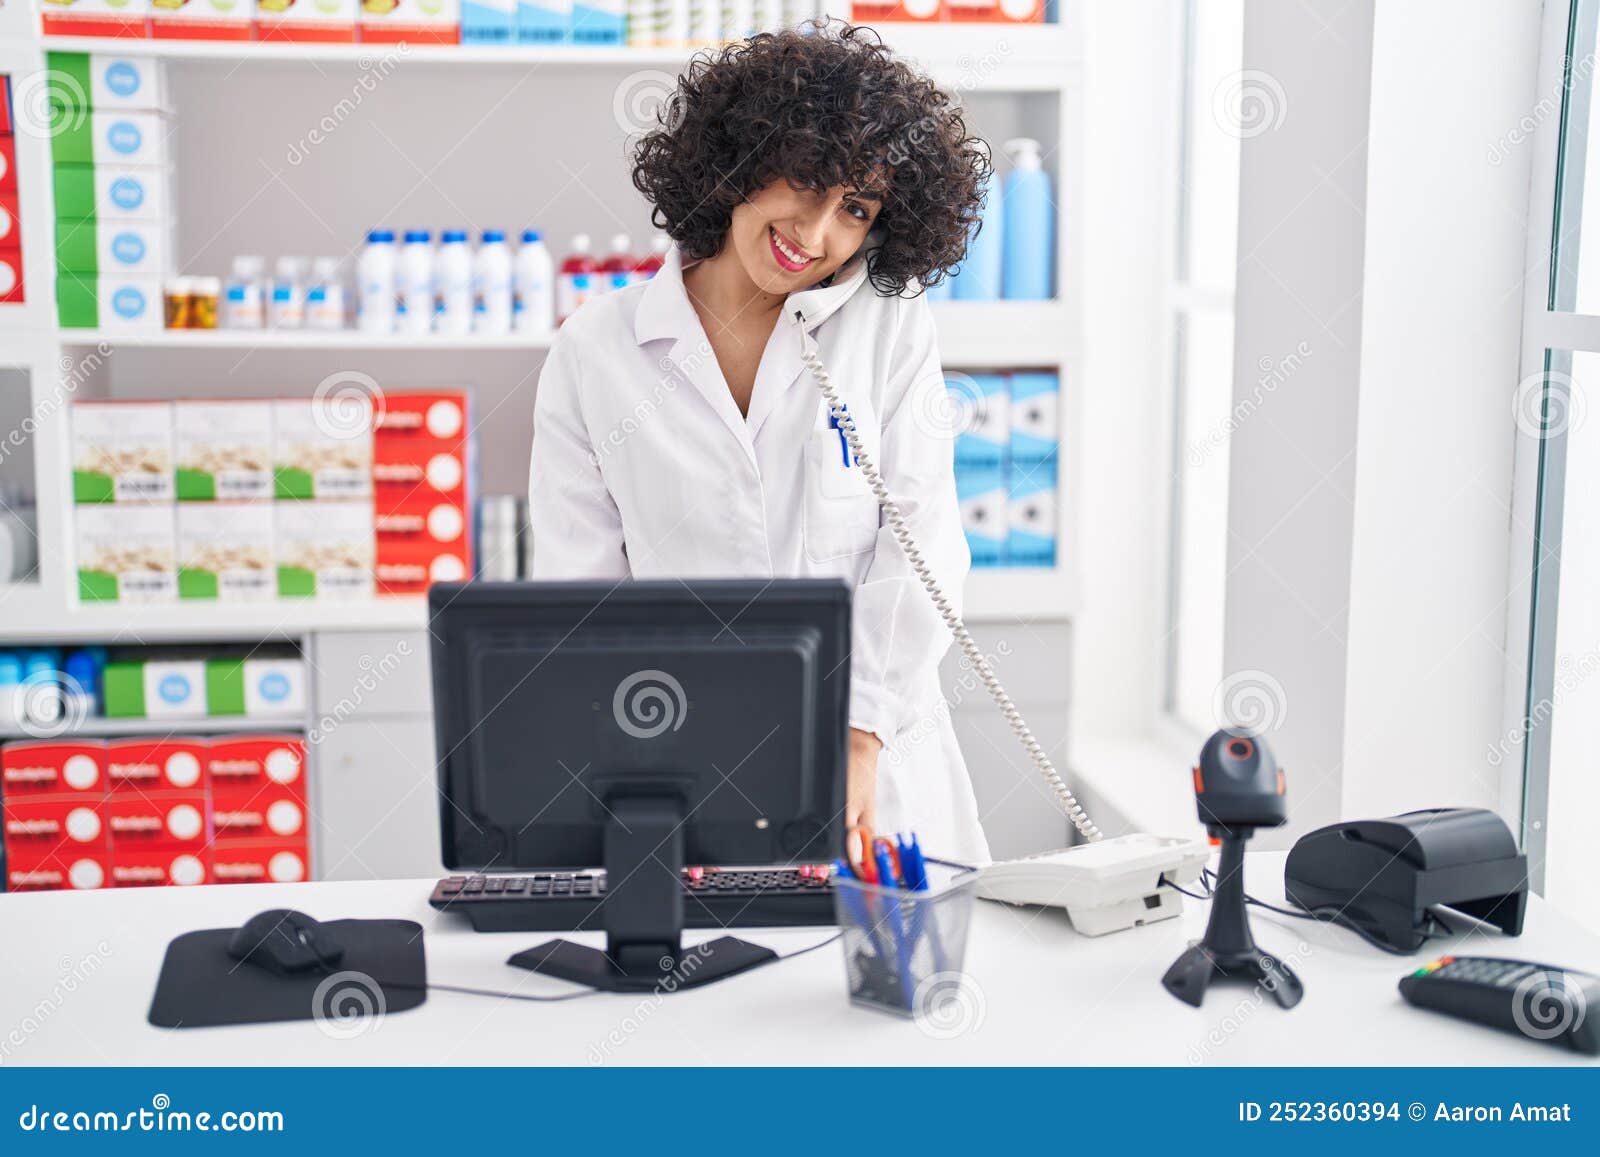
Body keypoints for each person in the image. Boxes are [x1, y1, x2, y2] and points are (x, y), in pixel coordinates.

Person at [528, 22, 992, 863]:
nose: (814, 235)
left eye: (856, 209)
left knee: (894, 987)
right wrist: (649, 763)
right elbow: (584, 600)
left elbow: (923, 537)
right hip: (683, 774)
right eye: (808, 180)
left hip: (878, 770)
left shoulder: (887, 329)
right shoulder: (594, 351)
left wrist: (860, 736)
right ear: (741, 154)